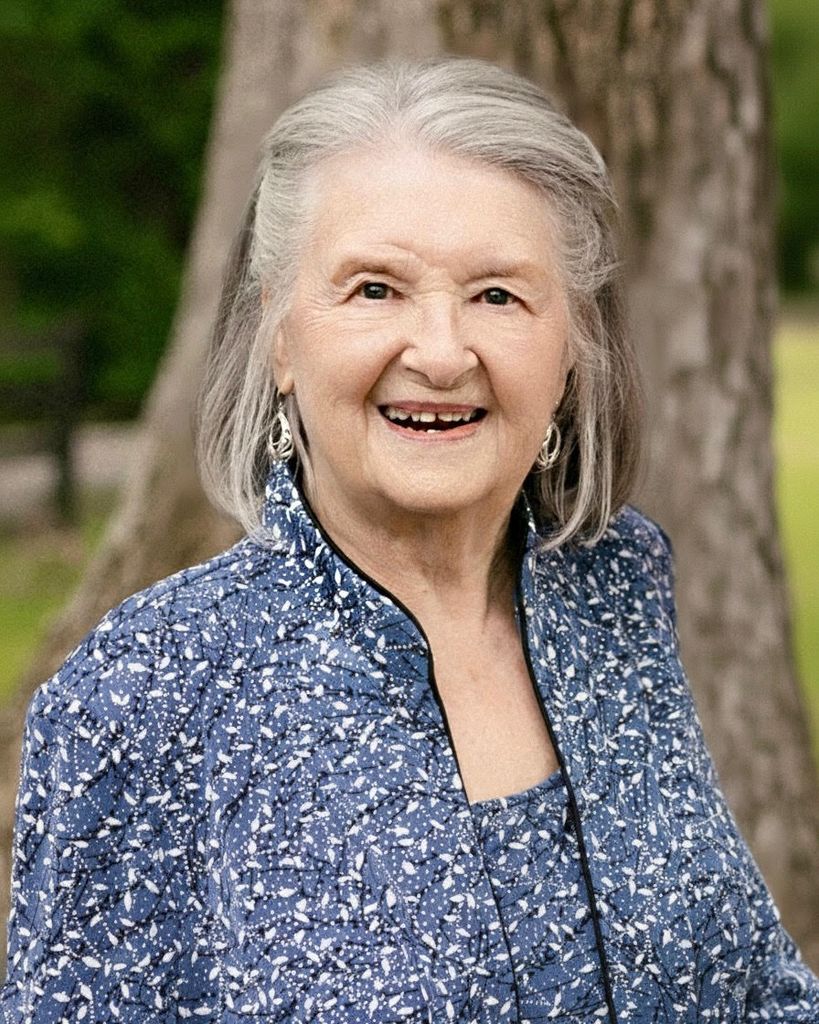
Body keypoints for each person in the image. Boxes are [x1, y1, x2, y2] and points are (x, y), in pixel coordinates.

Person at [2, 56, 817, 1024]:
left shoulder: (616, 581)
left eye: (497, 295)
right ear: (279, 336)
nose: (438, 352)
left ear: (571, 347)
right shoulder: (145, 690)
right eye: (375, 289)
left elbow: (748, 984)